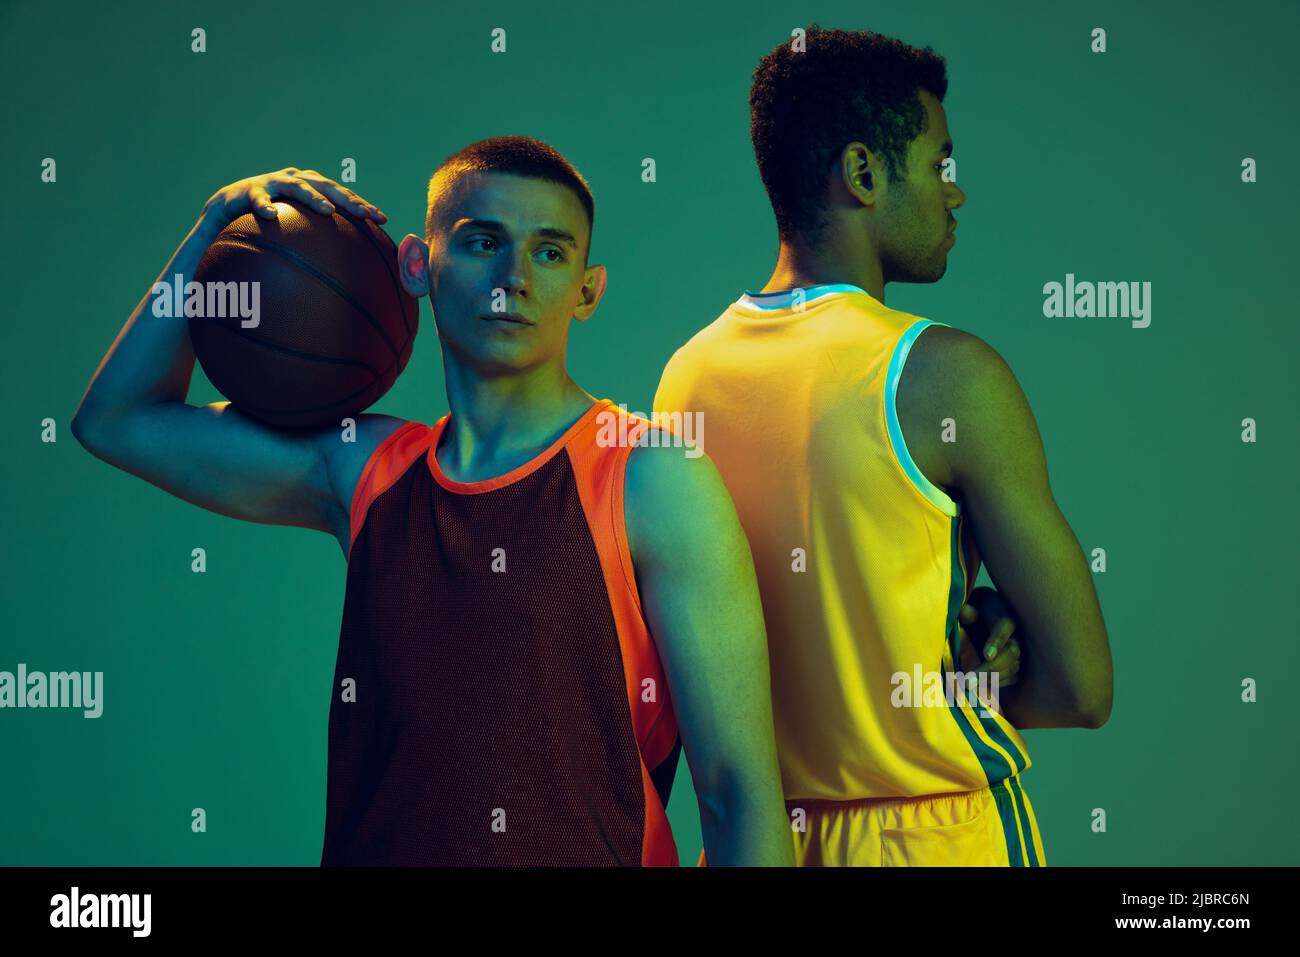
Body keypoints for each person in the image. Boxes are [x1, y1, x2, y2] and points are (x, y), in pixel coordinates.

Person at [71, 137, 794, 866]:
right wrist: (211, 233)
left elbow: (739, 795)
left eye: (549, 252)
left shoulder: (651, 476)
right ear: (417, 265)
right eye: (483, 241)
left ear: (587, 289)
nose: (513, 277)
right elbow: (116, 419)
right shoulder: (365, 471)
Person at [653, 27, 1113, 866]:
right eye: (940, 164)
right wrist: (975, 678)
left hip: (766, 839)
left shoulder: (685, 379)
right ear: (864, 174)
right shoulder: (947, 374)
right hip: (937, 835)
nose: (957, 193)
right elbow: (1082, 688)